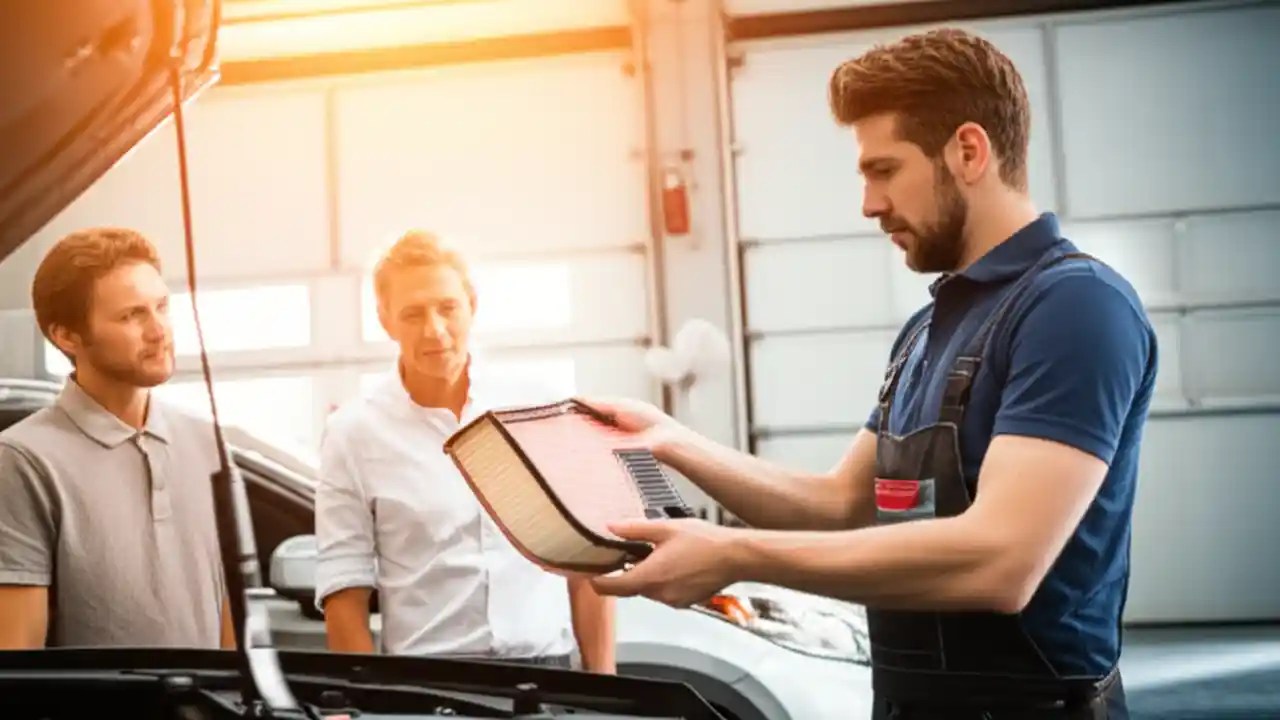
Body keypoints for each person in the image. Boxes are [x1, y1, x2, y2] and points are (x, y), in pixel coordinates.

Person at [581, 28, 1155, 719]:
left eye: (884, 170)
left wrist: (732, 553)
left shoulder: (1075, 306)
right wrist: (669, 442)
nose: (868, 203)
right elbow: (840, 505)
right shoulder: (927, 329)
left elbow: (1001, 561)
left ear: (969, 151)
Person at [315, 230, 616, 671]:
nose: (434, 330)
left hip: (547, 676)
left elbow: (589, 565)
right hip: (426, 688)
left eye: (447, 307)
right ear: (385, 321)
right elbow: (345, 591)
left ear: (472, 304)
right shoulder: (352, 434)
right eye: (412, 314)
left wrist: (603, 685)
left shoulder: (539, 409)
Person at [0, 227, 235, 650]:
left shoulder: (205, 442)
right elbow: (16, 658)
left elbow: (224, 617)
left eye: (161, 306)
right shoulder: (22, 460)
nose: (158, 330)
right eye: (132, 315)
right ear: (66, 336)